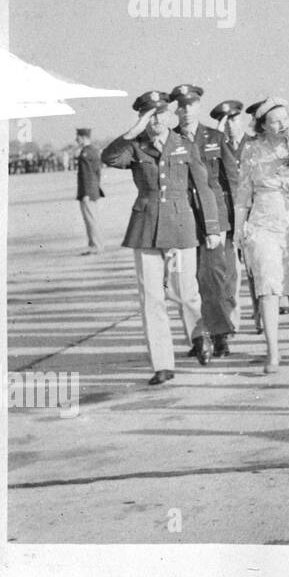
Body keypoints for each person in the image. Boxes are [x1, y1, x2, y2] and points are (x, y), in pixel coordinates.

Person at [101, 91, 224, 385]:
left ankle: (199, 334)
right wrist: (133, 131)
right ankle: (162, 364)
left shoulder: (184, 144)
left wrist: (212, 227)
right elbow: (110, 157)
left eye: (161, 113)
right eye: (149, 115)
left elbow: (203, 186)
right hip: (145, 229)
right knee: (152, 299)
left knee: (186, 292)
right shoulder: (136, 146)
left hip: (182, 226)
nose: (157, 120)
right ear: (143, 117)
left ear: (170, 115)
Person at [235, 97, 289, 373]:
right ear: (262, 125)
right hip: (263, 221)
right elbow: (242, 193)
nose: (283, 124)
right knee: (268, 285)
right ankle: (272, 350)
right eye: (275, 120)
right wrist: (239, 229)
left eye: (285, 118)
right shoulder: (250, 150)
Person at [170, 83, 240, 363]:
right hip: (184, 218)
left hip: (215, 218)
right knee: (187, 282)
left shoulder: (214, 137)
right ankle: (200, 337)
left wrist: (235, 223)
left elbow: (231, 180)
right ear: (176, 109)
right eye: (182, 106)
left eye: (191, 105)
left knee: (214, 278)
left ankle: (220, 333)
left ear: (198, 106)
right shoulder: (169, 139)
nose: (186, 110)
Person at [209, 98, 248, 342]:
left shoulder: (253, 144)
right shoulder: (214, 147)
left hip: (252, 215)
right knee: (229, 273)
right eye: (226, 122)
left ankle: (265, 317)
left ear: (242, 119)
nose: (231, 126)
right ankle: (231, 321)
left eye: (235, 119)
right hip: (228, 218)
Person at [73, 127, 104, 254]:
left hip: (87, 193)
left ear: (84, 138)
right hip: (93, 191)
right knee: (92, 219)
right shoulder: (94, 150)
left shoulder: (85, 152)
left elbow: (86, 175)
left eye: (78, 137)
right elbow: (97, 173)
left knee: (90, 220)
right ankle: (94, 245)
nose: (76, 139)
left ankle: (95, 246)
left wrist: (85, 193)